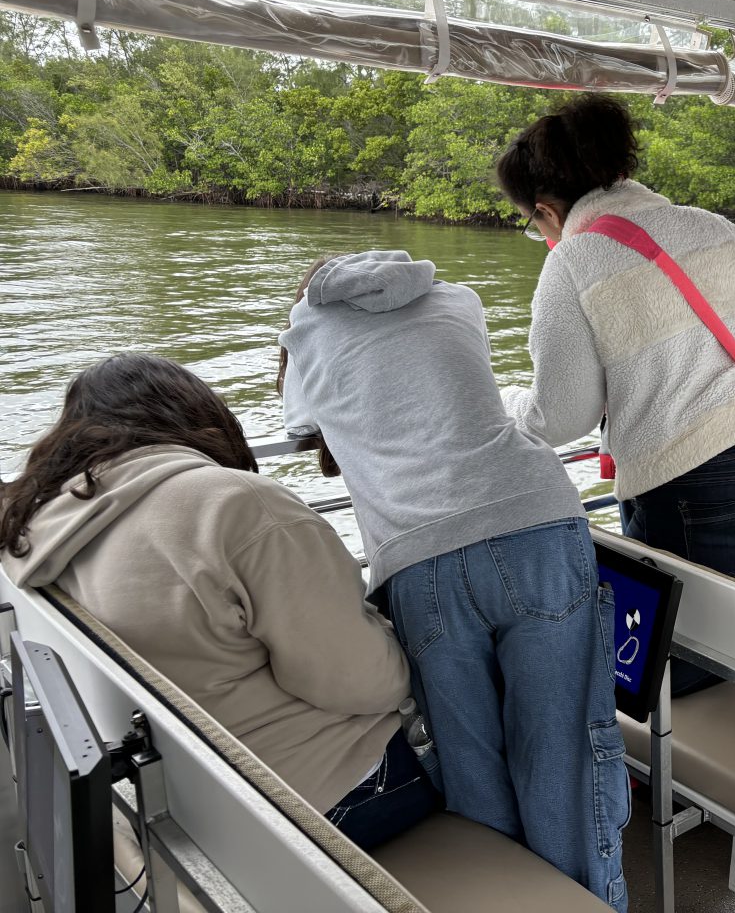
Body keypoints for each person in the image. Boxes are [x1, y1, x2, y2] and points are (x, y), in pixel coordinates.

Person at [277, 251, 629, 911]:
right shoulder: (457, 299)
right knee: (566, 757)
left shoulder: (304, 336)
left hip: (419, 557)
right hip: (535, 521)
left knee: (472, 770)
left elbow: (307, 430)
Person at [0, 354, 434, 851]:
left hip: (183, 798)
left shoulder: (33, 532)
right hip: (324, 797)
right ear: (198, 415)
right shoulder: (237, 506)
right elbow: (363, 685)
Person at [495, 94, 735, 693]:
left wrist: (509, 402)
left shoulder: (572, 262)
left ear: (546, 210)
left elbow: (559, 416)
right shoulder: (715, 227)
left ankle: (689, 785)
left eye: (533, 221)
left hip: (698, 488)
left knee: (678, 680)